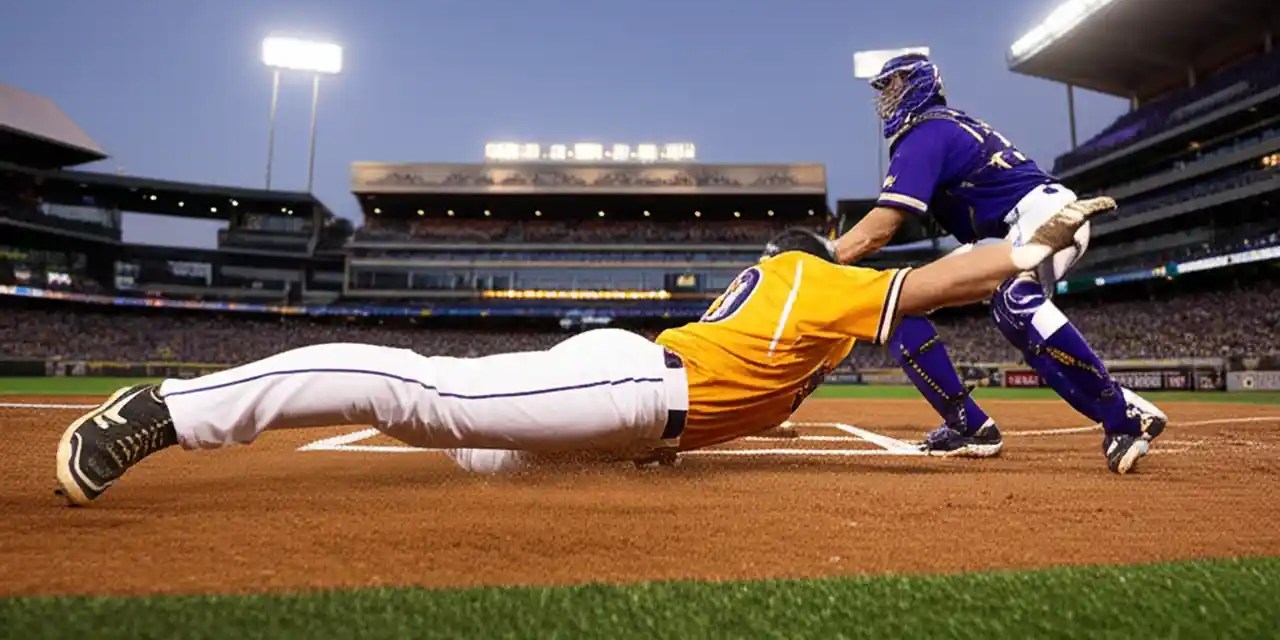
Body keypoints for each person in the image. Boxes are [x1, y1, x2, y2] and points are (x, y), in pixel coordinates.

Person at [55, 198, 1113, 505]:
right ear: (811, 260)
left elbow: (780, 388)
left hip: (628, 406)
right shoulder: (811, 278)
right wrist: (1026, 245)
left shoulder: (790, 307)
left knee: (474, 448)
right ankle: (167, 407)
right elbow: (939, 282)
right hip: (630, 387)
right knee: (420, 392)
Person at [834, 52, 1166, 474]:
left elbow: (882, 226)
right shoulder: (941, 127)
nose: (886, 97)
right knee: (897, 304)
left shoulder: (925, 131)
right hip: (1003, 236)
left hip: (1043, 217)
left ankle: (1123, 417)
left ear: (918, 84)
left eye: (894, 85)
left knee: (1013, 299)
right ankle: (969, 426)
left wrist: (826, 257)